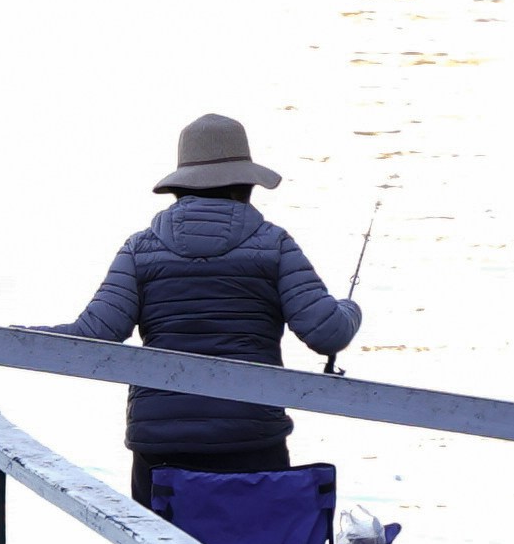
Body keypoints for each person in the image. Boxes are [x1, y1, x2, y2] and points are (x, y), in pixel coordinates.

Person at [70, 111, 362, 502]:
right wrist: (351, 308)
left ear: (181, 186)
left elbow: (93, 335)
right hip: (250, 440)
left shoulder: (141, 248)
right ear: (246, 184)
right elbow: (328, 332)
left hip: (160, 449)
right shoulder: (274, 245)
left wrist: (5, 340)